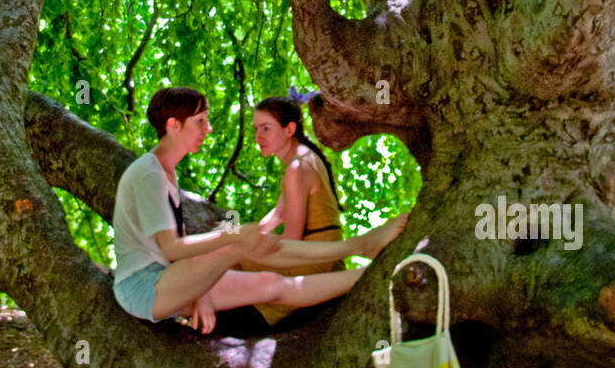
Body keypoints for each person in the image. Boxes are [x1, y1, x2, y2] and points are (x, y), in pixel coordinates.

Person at [112, 86, 407, 334]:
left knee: (270, 281)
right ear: (174, 125)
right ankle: (360, 245)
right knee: (234, 241)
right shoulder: (149, 174)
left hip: (168, 282)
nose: (209, 128)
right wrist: (233, 238)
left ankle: (369, 275)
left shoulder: (166, 172)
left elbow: (183, 246)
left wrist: (200, 291)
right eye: (200, 121)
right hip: (144, 288)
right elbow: (174, 250)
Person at [238, 92, 351, 326]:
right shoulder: (299, 159)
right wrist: (244, 234)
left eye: (266, 128)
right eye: (256, 128)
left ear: (289, 130)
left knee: (229, 260)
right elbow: (277, 215)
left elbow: (292, 240)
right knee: (232, 245)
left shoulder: (297, 167)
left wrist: (243, 248)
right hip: (322, 255)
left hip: (313, 262)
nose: (258, 136)